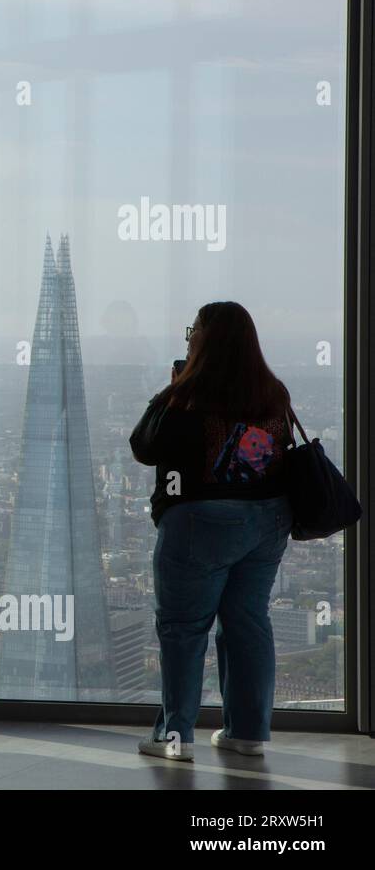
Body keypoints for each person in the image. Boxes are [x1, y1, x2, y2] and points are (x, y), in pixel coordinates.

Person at [130, 301, 293, 762]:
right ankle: (247, 732)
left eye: (193, 330)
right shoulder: (272, 391)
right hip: (267, 523)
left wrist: (173, 386)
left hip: (202, 523)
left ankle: (175, 737)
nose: (188, 336)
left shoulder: (188, 394)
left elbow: (145, 445)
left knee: (183, 629)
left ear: (204, 339)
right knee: (248, 623)